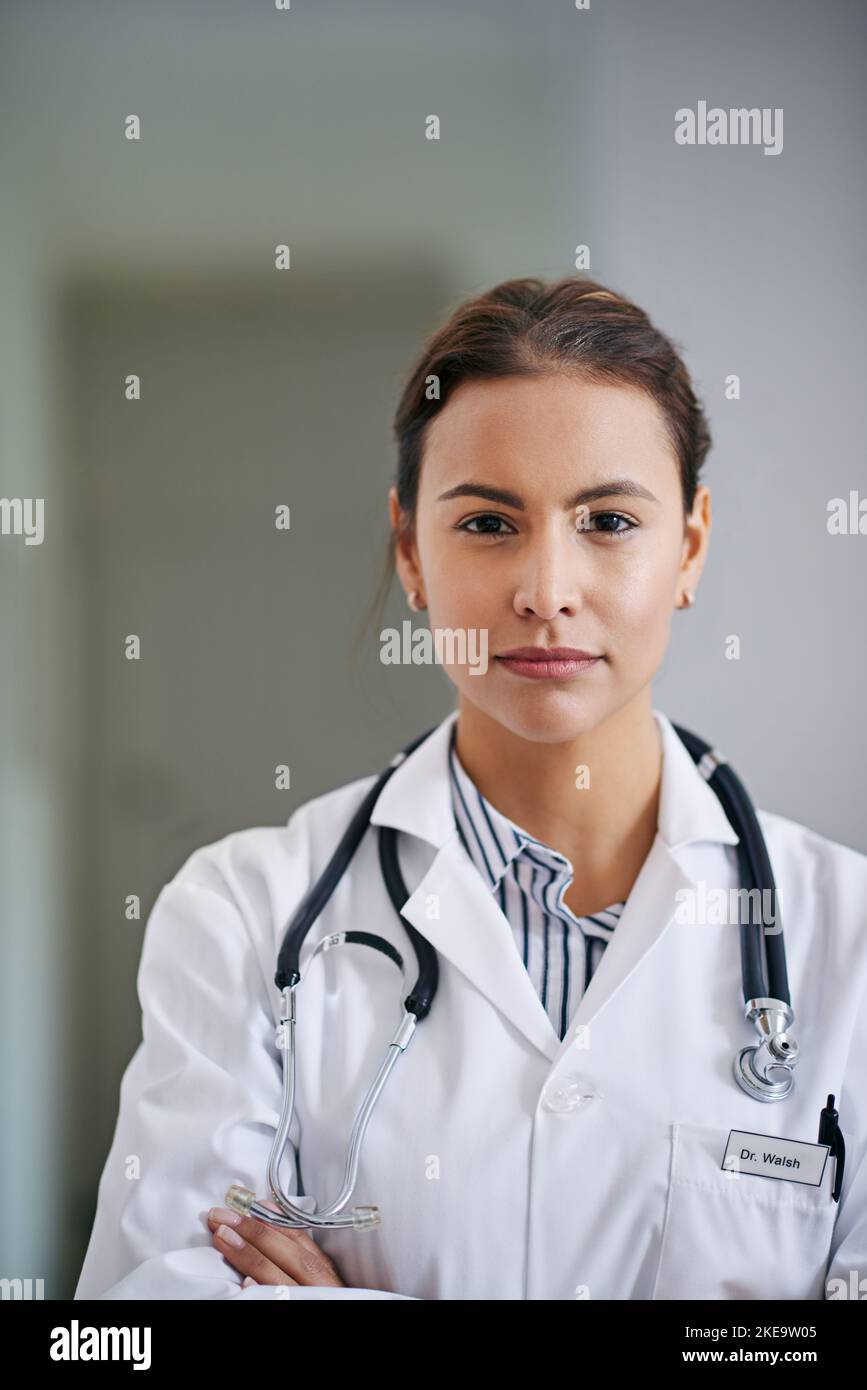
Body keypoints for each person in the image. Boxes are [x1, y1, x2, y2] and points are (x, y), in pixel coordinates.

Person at [75, 276, 867, 1300]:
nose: (546, 588)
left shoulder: (845, 938)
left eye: (610, 521)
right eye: (490, 524)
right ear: (411, 551)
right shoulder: (239, 916)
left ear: (691, 545)